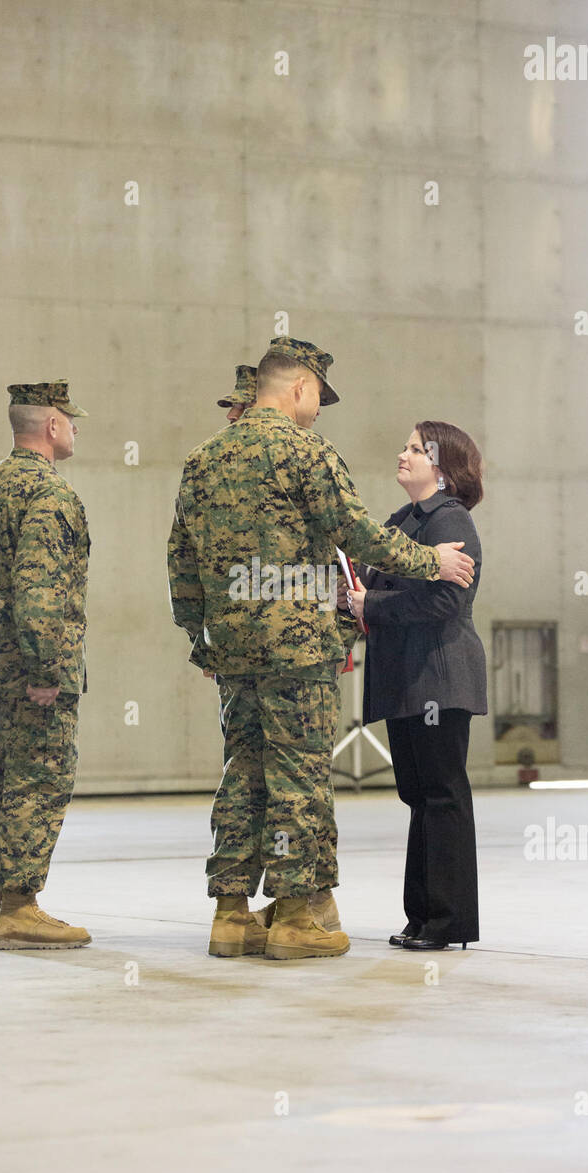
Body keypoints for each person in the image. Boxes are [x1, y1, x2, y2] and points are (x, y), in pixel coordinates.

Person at [167, 337, 476, 961]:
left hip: (232, 648)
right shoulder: (306, 452)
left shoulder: (203, 458)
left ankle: (230, 915)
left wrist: (204, 639)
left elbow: (181, 560)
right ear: (302, 387)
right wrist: (429, 561)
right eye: (318, 399)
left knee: (242, 773)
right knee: (299, 776)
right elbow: (356, 531)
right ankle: (298, 917)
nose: (318, 412)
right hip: (297, 646)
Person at [0, 381, 92, 951]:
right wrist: (47, 667)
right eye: (70, 420)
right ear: (51, 426)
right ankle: (22, 907)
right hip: (32, 670)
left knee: (0, 777)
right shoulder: (50, 496)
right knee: (39, 778)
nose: (76, 429)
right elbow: (40, 589)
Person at [342, 421, 486, 951]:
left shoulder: (452, 521)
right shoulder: (401, 521)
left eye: (415, 449)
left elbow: (449, 602)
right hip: (408, 678)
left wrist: (370, 606)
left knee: (442, 796)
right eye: (403, 445)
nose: (402, 455)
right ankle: (423, 915)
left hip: (439, 679)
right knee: (419, 796)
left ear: (443, 471)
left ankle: (448, 922)